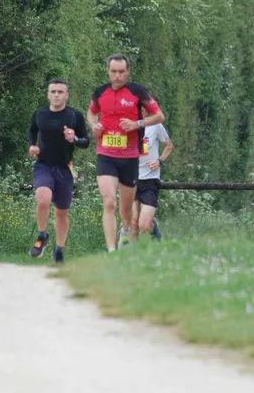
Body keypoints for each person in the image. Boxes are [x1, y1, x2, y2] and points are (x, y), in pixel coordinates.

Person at [87, 54, 165, 253]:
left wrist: (137, 124)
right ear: (108, 72)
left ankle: (125, 232)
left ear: (127, 72)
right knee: (109, 202)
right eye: (114, 71)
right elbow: (91, 112)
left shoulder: (137, 92)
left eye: (121, 72)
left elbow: (159, 116)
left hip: (130, 157)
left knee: (125, 210)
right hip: (105, 154)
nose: (118, 76)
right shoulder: (100, 92)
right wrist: (94, 125)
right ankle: (112, 250)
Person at [28, 79, 90, 263]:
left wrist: (74, 139)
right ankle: (42, 236)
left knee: (61, 212)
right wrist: (31, 146)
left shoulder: (74, 116)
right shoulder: (39, 114)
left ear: (66, 95)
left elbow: (86, 141)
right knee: (43, 198)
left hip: (64, 168)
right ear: (47, 94)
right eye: (53, 91)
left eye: (60, 92)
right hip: (43, 165)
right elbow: (32, 131)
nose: (56, 95)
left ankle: (59, 250)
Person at [129, 106, 174, 241]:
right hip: (131, 180)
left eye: (142, 110)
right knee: (133, 223)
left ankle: (153, 228)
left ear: (146, 111)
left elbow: (169, 146)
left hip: (150, 179)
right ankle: (132, 257)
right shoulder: (126, 126)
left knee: (144, 225)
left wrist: (159, 160)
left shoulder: (155, 125)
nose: (139, 113)